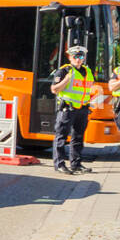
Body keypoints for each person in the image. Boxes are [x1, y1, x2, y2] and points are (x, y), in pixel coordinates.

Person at [51, 45, 95, 174]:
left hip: (82, 109)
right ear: (70, 57)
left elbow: (89, 90)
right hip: (67, 109)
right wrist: (66, 80)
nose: (78, 59)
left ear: (84, 58)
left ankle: (76, 164)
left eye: (80, 56)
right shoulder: (64, 71)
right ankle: (59, 164)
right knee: (61, 137)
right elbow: (54, 89)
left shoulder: (88, 71)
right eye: (75, 56)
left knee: (78, 138)